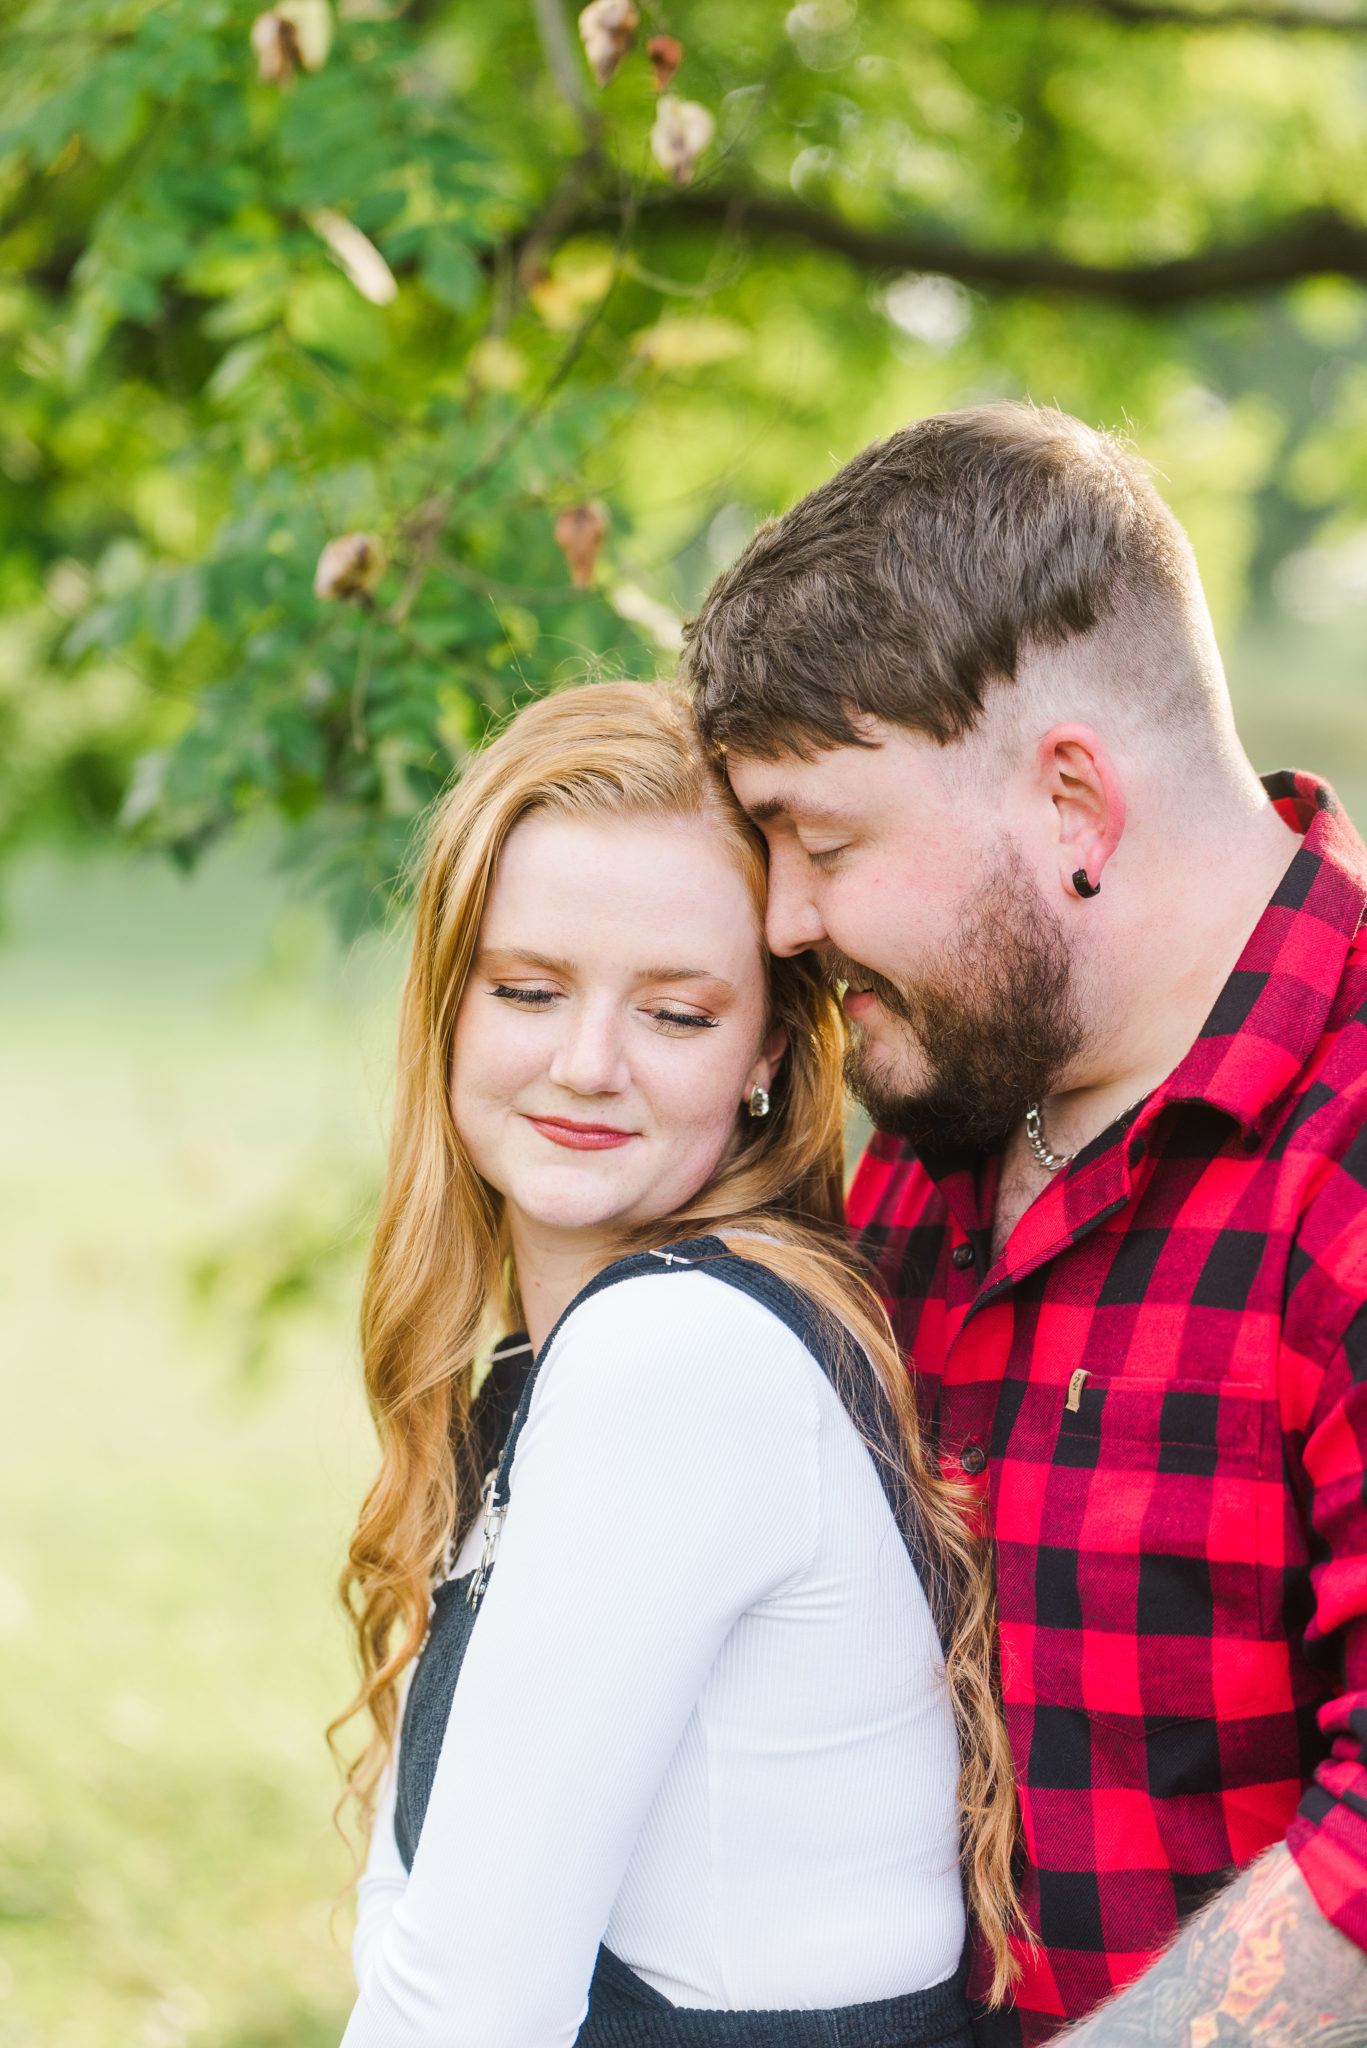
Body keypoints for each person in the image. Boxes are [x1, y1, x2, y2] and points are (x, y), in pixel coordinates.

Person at [684, 403, 1367, 2048]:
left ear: (1073, 801)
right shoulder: (939, 1105)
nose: (781, 922)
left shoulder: (1339, 1159)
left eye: (823, 840)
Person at [332, 681, 1021, 2048]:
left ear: (768, 1050)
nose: (588, 1065)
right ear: (448, 1004)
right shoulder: (597, 1348)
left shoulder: (678, 1359)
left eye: (677, 1014)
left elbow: (468, 2008)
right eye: (531, 989)